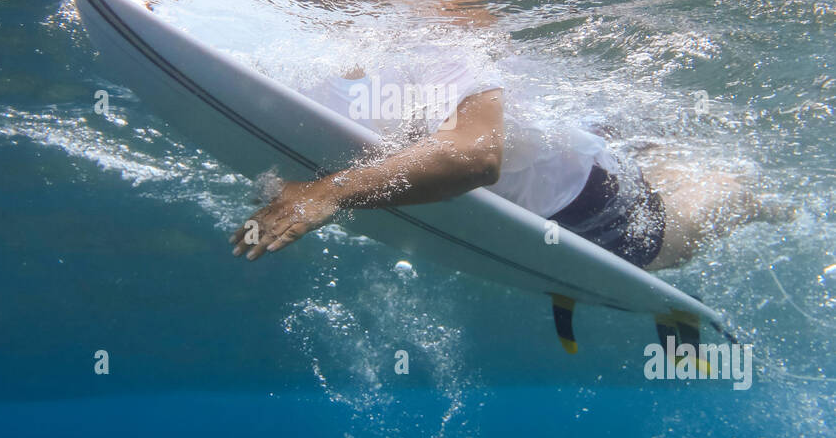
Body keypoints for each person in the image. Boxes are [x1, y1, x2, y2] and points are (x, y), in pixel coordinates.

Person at [230, 42, 783, 271]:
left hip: (590, 212)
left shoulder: (444, 44)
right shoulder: (316, 52)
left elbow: (475, 159)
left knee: (707, 204)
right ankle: (639, 145)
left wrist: (328, 192)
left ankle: (772, 205)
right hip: (570, 144)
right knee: (608, 137)